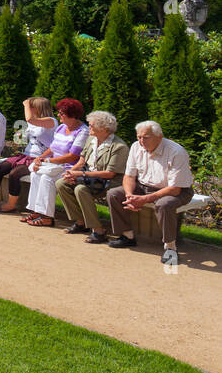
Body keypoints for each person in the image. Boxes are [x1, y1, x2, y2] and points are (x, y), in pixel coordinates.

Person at [106, 121, 195, 266]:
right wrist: (130, 196)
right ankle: (127, 236)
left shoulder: (176, 152)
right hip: (144, 186)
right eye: (139, 137)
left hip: (177, 190)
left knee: (164, 204)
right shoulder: (136, 147)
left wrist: (145, 199)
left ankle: (170, 248)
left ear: (159, 137)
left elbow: (175, 189)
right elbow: (129, 176)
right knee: (114, 194)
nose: (141, 141)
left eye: (145, 137)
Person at [0, 96, 56, 215]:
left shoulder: (51, 121)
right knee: (0, 168)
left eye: (31, 107)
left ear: (38, 108)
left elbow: (30, 119)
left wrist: (26, 104)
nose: (28, 110)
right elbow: (24, 135)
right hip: (26, 155)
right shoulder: (33, 121)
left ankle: (11, 205)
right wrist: (20, 136)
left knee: (15, 174)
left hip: (40, 158)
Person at [57, 110, 129, 241]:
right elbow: (82, 161)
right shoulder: (91, 139)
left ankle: (98, 230)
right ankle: (81, 222)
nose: (88, 127)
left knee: (80, 189)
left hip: (108, 182)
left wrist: (80, 174)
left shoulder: (119, 146)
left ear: (105, 129)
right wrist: (70, 173)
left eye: (92, 125)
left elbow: (110, 173)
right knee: (61, 183)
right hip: (88, 178)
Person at [22, 98, 89, 226]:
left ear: (72, 115)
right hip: (54, 165)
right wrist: (40, 158)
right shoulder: (62, 127)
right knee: (35, 174)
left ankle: (47, 216)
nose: (58, 115)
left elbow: (72, 156)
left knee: (47, 178)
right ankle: (36, 211)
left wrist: (47, 160)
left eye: (62, 113)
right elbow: (52, 148)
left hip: (70, 168)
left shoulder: (82, 131)